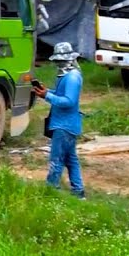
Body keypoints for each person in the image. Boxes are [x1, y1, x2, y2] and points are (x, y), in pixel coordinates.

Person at [33, 41, 85, 199]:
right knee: (71, 159)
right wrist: (47, 91)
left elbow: (68, 101)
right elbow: (62, 94)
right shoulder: (70, 76)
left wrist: (47, 96)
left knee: (56, 159)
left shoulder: (71, 78)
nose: (57, 64)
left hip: (64, 125)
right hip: (67, 124)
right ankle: (78, 191)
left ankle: (51, 190)